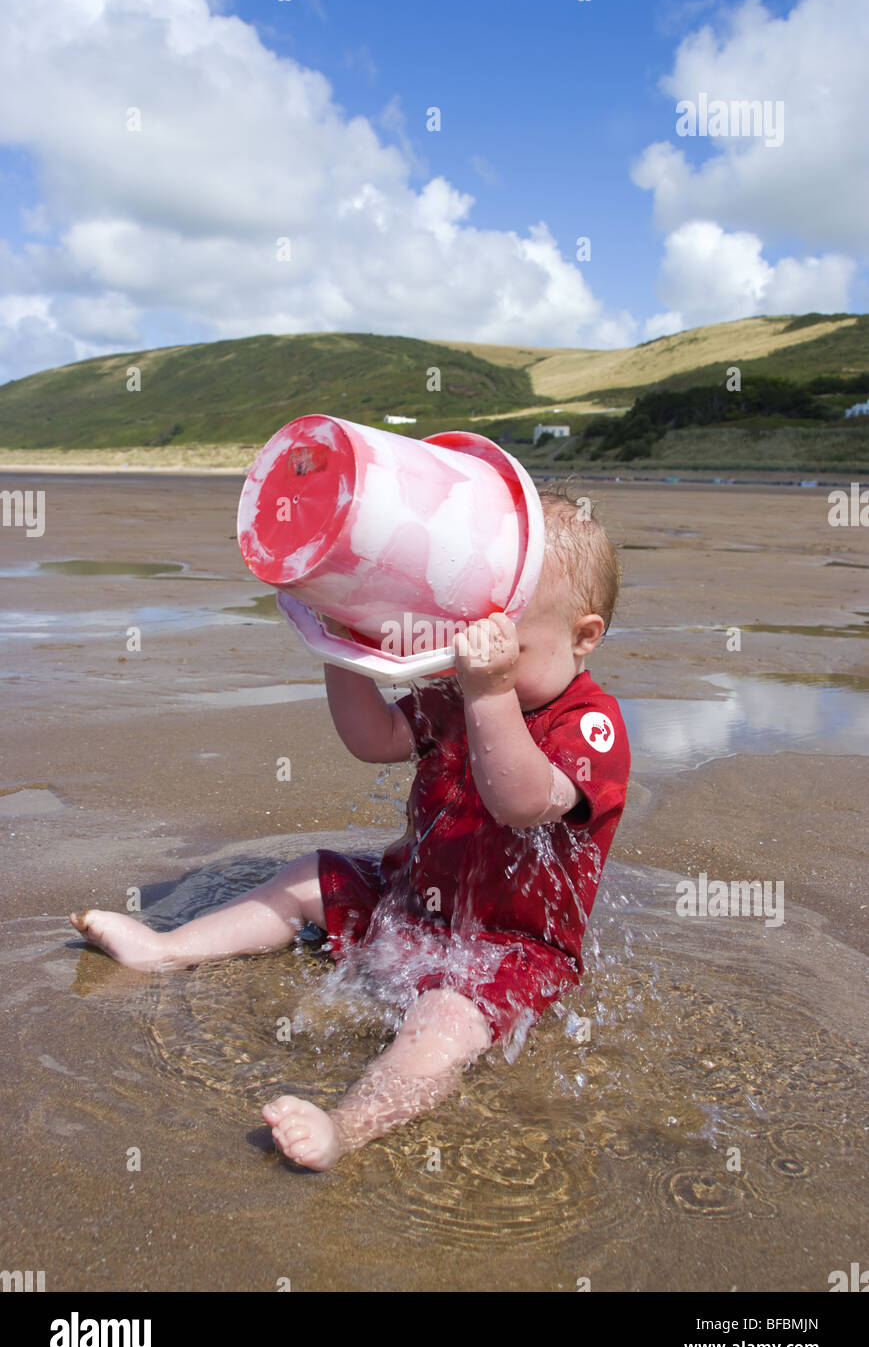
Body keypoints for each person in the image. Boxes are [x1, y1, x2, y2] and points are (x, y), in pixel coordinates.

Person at [70, 491, 630, 1171]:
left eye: (505, 650)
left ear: (583, 634)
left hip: (514, 946)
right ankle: (165, 949)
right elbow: (375, 738)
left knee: (446, 1019)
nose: (477, 663)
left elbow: (518, 800)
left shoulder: (591, 728)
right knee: (311, 872)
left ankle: (347, 1127)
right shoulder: (459, 691)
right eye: (467, 639)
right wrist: (342, 647)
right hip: (410, 901)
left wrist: (489, 694)